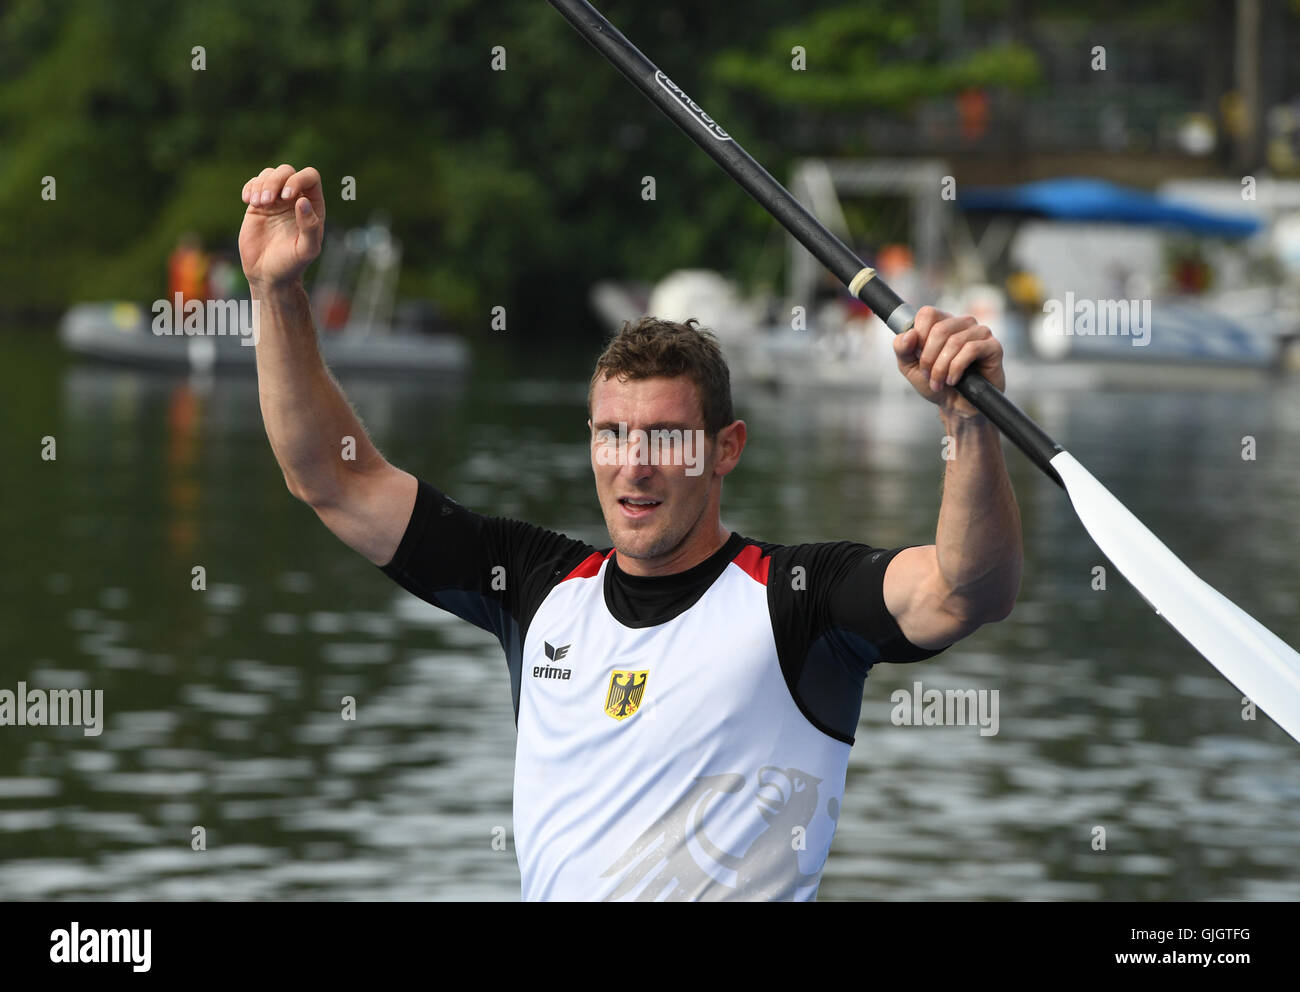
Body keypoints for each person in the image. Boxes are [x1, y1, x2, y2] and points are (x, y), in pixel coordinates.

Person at [239, 164, 1023, 901]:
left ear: (726, 449)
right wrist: (276, 293)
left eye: (665, 438)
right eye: (612, 434)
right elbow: (331, 479)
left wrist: (968, 423)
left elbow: (968, 590)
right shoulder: (534, 584)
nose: (634, 466)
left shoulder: (800, 600)